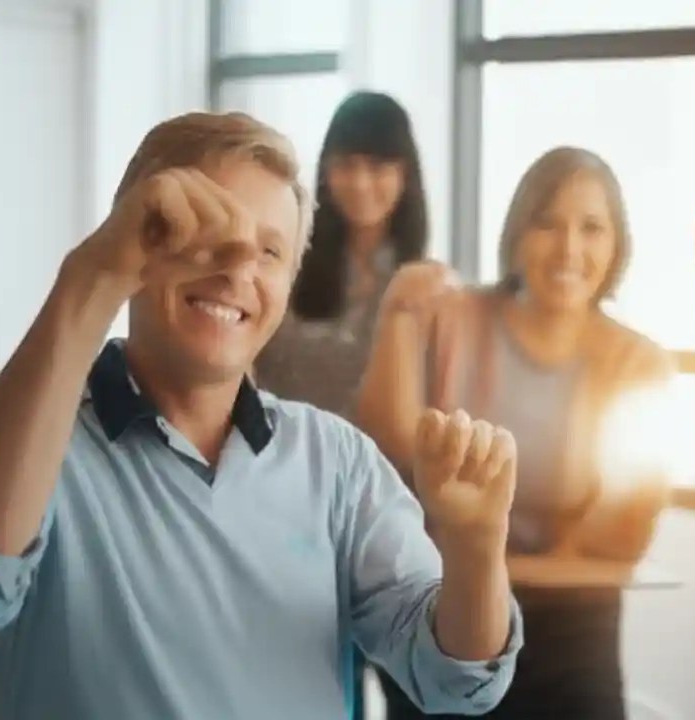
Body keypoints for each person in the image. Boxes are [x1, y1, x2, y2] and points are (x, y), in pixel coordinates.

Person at [0, 112, 523, 719]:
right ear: (130, 241)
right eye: (205, 236)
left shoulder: (335, 461)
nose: (237, 269)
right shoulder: (12, 427)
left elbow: (455, 682)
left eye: (270, 252)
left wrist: (474, 549)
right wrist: (90, 278)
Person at [357, 146, 674, 719]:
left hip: (573, 625)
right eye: (547, 222)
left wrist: (477, 548)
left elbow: (617, 542)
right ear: (517, 230)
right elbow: (391, 450)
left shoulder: (640, 365)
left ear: (617, 243)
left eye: (592, 228)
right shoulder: (453, 319)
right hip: (444, 613)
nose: (569, 249)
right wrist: (398, 317)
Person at [253, 88, 430, 720]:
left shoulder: (424, 281)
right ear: (325, 170)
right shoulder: (289, 259)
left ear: (405, 175)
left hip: (390, 511)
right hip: (287, 503)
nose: (362, 182)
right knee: (315, 686)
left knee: (416, 687)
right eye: (347, 164)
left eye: (380, 166)